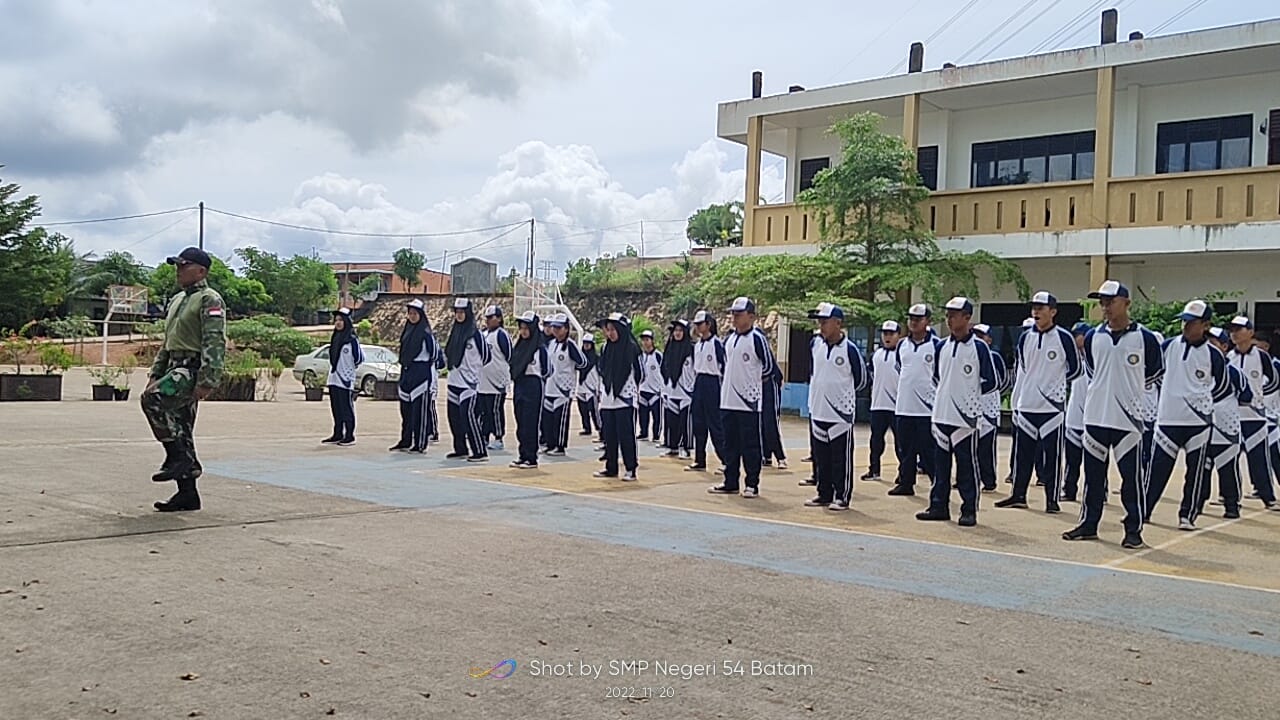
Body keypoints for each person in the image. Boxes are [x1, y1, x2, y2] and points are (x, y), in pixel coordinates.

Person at [1063, 281, 1164, 548]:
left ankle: (1133, 529)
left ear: (1126, 303)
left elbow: (1154, 372)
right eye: (1102, 302)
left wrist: (1128, 390)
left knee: (1131, 479)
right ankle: (1089, 524)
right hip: (1096, 416)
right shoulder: (1094, 337)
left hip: (1128, 419)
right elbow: (1093, 371)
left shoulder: (1145, 338)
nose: (1105, 307)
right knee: (1093, 478)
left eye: (1111, 301)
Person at [142, 247, 226, 513]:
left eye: (183, 266)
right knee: (181, 428)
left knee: (152, 399)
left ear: (201, 271)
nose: (178, 271)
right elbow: (168, 342)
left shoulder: (210, 299)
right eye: (177, 266)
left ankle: (177, 457)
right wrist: (156, 373)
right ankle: (187, 494)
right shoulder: (178, 299)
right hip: (173, 366)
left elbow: (214, 340)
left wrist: (208, 379)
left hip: (191, 368)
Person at [1143, 301, 1228, 529]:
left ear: (1205, 325)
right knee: (1156, 470)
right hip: (1168, 419)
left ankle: (1187, 515)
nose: (1186, 326)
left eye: (1192, 322)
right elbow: (1152, 373)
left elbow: (1222, 386)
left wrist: (1203, 402)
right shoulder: (1168, 346)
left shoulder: (1213, 354)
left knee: (1195, 473)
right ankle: (1143, 511)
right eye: (1184, 321)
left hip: (1198, 423)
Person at [997, 291, 1081, 514]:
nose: (1036, 312)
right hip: (1027, 404)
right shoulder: (1025, 337)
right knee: (1022, 455)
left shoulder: (1063, 337)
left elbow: (1076, 369)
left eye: (1041, 308)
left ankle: (1052, 499)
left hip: (1052, 408)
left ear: (1053, 311)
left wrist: (1055, 384)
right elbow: (1024, 367)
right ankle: (1018, 495)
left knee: (1052, 456)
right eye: (1034, 307)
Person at [916, 297, 996, 527]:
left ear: (967, 317)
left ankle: (969, 509)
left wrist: (968, 395)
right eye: (947, 315)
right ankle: (938, 506)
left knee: (966, 466)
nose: (949, 319)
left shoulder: (979, 347)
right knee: (940, 467)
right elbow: (936, 377)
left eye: (954, 315)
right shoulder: (941, 346)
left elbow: (991, 381)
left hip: (965, 419)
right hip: (941, 415)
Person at [802, 303, 869, 511]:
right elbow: (813, 373)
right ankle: (823, 493)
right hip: (818, 410)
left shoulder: (849, 349)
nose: (821, 325)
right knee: (821, 458)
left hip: (840, 414)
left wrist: (842, 393)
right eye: (819, 322)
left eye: (825, 321)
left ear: (838, 323)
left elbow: (862, 380)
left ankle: (842, 496)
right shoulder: (815, 344)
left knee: (841, 458)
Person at [707, 297, 775, 498]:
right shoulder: (729, 339)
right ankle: (730, 481)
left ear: (751, 317)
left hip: (748, 403)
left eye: (739, 314)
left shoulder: (757, 339)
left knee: (750, 445)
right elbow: (724, 365)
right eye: (733, 314)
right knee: (730, 444)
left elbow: (769, 367)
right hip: (728, 401)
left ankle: (752, 483)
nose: (734, 317)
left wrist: (751, 385)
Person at [888, 304, 943, 497]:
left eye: (918, 319)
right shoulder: (902, 345)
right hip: (904, 406)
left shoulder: (936, 345)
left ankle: (937, 484)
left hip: (927, 408)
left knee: (929, 450)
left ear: (928, 321)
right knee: (905, 449)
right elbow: (899, 367)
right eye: (911, 318)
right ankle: (906, 482)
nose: (913, 322)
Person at [1226, 315, 1279, 509]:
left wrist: (1258, 396)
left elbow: (1274, 380)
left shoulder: (1261, 356)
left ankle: (1268, 497)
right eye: (1232, 330)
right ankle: (1229, 496)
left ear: (1250, 332)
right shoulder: (1228, 357)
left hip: (1254, 417)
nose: (1234, 334)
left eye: (1238, 330)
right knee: (1228, 458)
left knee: (1258, 459)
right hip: (1231, 416)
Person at [594, 313, 644, 481]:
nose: (609, 333)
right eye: (607, 330)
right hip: (608, 399)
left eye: (613, 330)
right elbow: (601, 369)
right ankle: (611, 467)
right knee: (609, 436)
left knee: (626, 436)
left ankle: (631, 468)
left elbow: (640, 373)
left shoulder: (632, 348)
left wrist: (629, 389)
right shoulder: (605, 348)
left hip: (625, 399)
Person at [1206, 326, 1250, 518]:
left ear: (1224, 347)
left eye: (1212, 343)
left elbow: (1247, 396)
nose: (1207, 347)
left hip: (1227, 429)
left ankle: (1231, 505)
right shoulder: (1197, 369)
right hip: (1204, 429)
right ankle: (1195, 506)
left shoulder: (1233, 371)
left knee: (1228, 470)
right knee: (1201, 470)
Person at [444, 298, 492, 462]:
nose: (459, 315)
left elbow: (486, 356)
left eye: (462, 312)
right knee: (454, 417)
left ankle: (479, 450)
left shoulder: (475, 335)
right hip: (453, 380)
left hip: (469, 383)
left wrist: (473, 369)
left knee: (468, 415)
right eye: (457, 312)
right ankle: (460, 449)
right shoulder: (454, 332)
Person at [391, 299, 439, 454]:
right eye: (410, 313)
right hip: (407, 372)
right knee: (406, 412)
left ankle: (420, 443)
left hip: (421, 373)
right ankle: (405, 441)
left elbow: (434, 354)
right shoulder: (407, 331)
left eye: (415, 314)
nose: (412, 316)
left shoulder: (426, 333)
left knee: (419, 412)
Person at [508, 311, 551, 469]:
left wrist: (535, 377)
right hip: (520, 384)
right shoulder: (519, 347)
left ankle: (531, 457)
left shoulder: (540, 349)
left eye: (527, 328)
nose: (523, 331)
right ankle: (522, 455)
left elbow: (547, 370)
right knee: (520, 421)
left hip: (533, 384)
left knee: (530, 422)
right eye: (521, 328)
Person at [542, 314, 588, 456]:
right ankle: (550, 444)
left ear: (566, 329)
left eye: (559, 327)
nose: (555, 330)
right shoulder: (550, 344)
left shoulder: (570, 345)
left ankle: (560, 446)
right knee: (548, 419)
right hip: (549, 387)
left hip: (563, 389)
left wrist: (570, 372)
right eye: (554, 327)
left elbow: (583, 362)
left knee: (560, 419)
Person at [687, 310, 727, 472]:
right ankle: (699, 459)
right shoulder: (697, 345)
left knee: (715, 424)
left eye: (700, 324)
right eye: (696, 325)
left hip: (712, 382)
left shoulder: (716, 343)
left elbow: (723, 365)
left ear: (708, 325)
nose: (697, 327)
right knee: (698, 422)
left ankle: (725, 460)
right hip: (699, 382)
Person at [972, 324, 1008, 493]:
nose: (978, 338)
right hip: (972, 406)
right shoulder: (969, 353)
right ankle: (970, 477)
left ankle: (989, 480)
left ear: (989, 339)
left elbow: (1004, 380)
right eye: (976, 335)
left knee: (986, 447)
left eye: (982, 335)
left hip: (989, 408)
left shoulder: (994, 356)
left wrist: (993, 394)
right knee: (970, 447)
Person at [864, 320, 901, 482]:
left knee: (901, 442)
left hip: (897, 406)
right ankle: (874, 469)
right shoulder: (876, 355)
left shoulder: (902, 354)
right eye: (885, 333)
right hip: (878, 404)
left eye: (891, 334)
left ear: (898, 335)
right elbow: (871, 375)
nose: (887, 337)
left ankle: (904, 473)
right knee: (876, 440)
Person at [322, 307, 363, 446]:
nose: (338, 323)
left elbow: (359, 358)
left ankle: (349, 435)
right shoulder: (335, 337)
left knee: (346, 408)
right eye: (336, 320)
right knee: (336, 407)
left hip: (345, 379)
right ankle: (337, 433)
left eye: (341, 320)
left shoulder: (352, 340)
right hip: (334, 377)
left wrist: (348, 370)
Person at [1061, 322, 1093, 502]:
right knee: (1072, 459)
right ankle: (1069, 489)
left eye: (1076, 335)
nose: (1074, 339)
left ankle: (1098, 492)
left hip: (1093, 417)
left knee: (1095, 461)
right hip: (1074, 416)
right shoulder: (1073, 358)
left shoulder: (1096, 358)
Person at [1005, 316, 1038, 484]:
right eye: (1024, 330)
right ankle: (1015, 472)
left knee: (1039, 443)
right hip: (1019, 401)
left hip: (1037, 403)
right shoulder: (1020, 351)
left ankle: (1041, 475)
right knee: (1018, 441)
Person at [478, 306, 512, 451]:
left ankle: (498, 438)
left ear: (499, 318)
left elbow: (509, 355)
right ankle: (484, 436)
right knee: (483, 411)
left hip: (497, 381)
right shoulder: (483, 334)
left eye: (491, 317)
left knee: (495, 411)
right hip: (482, 381)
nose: (488, 320)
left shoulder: (502, 334)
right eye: (487, 318)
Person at [661, 319, 695, 460]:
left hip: (686, 392)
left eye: (680, 330)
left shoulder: (691, 349)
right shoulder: (669, 348)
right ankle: (672, 446)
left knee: (685, 422)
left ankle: (686, 448)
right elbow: (664, 367)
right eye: (675, 330)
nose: (677, 333)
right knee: (671, 421)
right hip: (672, 390)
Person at [636, 330, 664, 443]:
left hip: (655, 392)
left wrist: (662, 389)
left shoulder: (658, 356)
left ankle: (656, 435)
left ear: (652, 341)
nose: (645, 342)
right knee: (643, 414)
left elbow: (664, 371)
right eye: (643, 340)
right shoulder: (640, 357)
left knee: (657, 415)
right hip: (643, 390)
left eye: (647, 340)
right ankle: (643, 433)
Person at [761, 360, 788, 469]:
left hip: (769, 387)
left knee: (770, 424)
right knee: (761, 423)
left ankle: (781, 457)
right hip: (758, 387)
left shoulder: (764, 352)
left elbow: (770, 369)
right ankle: (766, 455)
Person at [576, 334, 601, 437]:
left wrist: (599, 389)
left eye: (588, 343)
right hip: (581, 387)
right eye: (585, 343)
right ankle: (586, 428)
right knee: (583, 409)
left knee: (594, 410)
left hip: (592, 388)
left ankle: (600, 429)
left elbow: (601, 374)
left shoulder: (597, 359)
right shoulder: (580, 358)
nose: (586, 345)